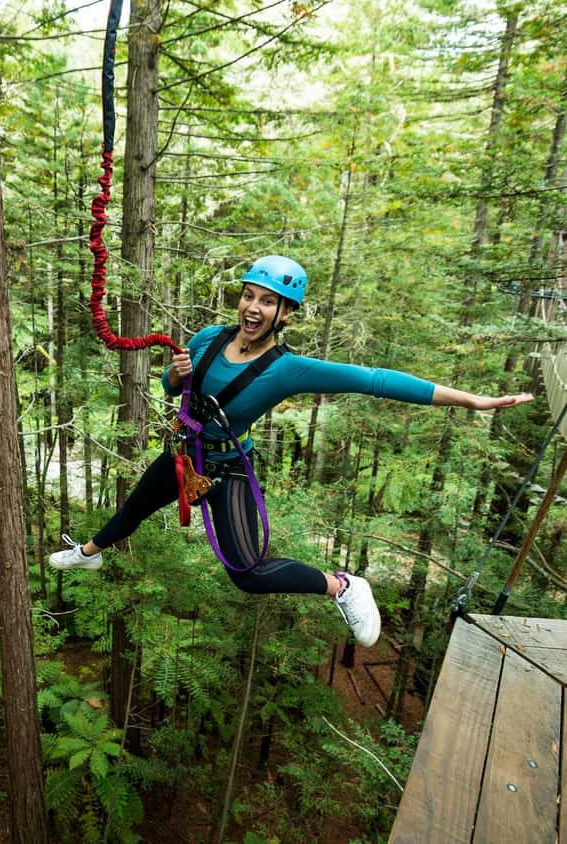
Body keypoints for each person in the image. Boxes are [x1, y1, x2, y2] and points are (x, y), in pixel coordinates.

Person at [50, 255, 533, 647]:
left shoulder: (288, 370)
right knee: (133, 509)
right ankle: (89, 553)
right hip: (184, 454)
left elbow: (375, 381)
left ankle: (342, 585)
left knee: (248, 574)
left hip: (226, 468)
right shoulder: (206, 339)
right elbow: (173, 387)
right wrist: (175, 376)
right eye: (249, 295)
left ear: (286, 314)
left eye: (269, 302)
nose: (253, 308)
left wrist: (472, 401)